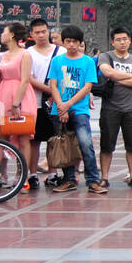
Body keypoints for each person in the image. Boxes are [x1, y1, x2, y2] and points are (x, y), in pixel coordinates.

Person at [46, 25, 105, 194]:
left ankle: (93, 180)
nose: (71, 45)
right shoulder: (57, 61)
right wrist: (61, 107)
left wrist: (67, 105)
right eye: (68, 41)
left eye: (74, 42)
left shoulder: (87, 62)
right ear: (63, 42)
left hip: (79, 110)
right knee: (65, 144)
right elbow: (53, 85)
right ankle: (69, 179)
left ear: (80, 43)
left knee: (85, 143)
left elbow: (87, 87)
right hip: (59, 110)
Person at [96, 27, 132, 188]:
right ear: (112, 42)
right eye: (118, 39)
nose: (122, 42)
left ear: (130, 41)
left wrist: (117, 77)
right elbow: (107, 72)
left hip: (131, 108)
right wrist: (130, 77)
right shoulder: (105, 56)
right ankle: (104, 177)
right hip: (110, 108)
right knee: (107, 144)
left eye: (125, 39)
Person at [0, 23, 36, 191]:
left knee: (24, 138)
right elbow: (2, 79)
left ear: (11, 35)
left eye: (4, 31)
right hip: (3, 94)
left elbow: (25, 80)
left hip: (21, 97)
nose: (1, 35)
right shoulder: (3, 56)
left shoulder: (25, 54)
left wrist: (16, 103)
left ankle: (22, 177)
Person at [25, 17, 58, 188]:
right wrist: (50, 90)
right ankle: (32, 175)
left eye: (43, 31)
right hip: (34, 103)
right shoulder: (28, 53)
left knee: (53, 140)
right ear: (31, 34)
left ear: (48, 31)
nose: (41, 35)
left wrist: (55, 94)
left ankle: (53, 173)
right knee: (34, 141)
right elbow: (28, 78)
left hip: (55, 104)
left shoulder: (60, 51)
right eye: (37, 32)